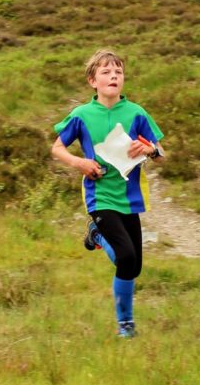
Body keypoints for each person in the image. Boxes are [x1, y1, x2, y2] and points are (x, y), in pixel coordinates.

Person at [51, 49, 166, 339]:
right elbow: (57, 148)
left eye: (118, 71)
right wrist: (80, 163)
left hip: (130, 198)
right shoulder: (81, 115)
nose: (114, 75)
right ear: (93, 80)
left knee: (134, 265)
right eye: (106, 71)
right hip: (99, 196)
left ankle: (97, 236)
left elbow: (160, 153)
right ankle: (125, 324)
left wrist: (151, 150)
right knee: (126, 258)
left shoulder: (136, 113)